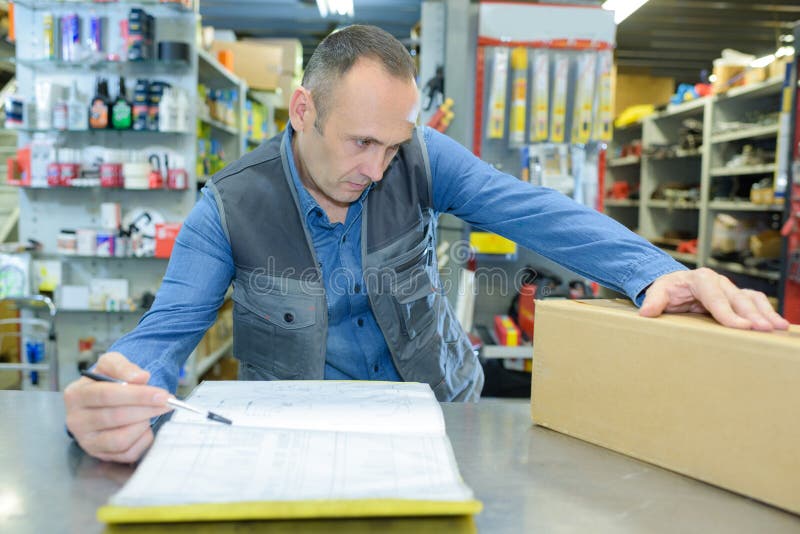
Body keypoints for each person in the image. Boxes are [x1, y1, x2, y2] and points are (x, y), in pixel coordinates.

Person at [64, 25, 789, 463]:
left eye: (393, 145)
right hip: (297, 444)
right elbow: (165, 336)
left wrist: (654, 272)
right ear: (303, 109)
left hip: (445, 418)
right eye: (361, 143)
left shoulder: (418, 157)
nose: (377, 168)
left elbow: (529, 209)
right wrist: (112, 394)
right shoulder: (228, 208)